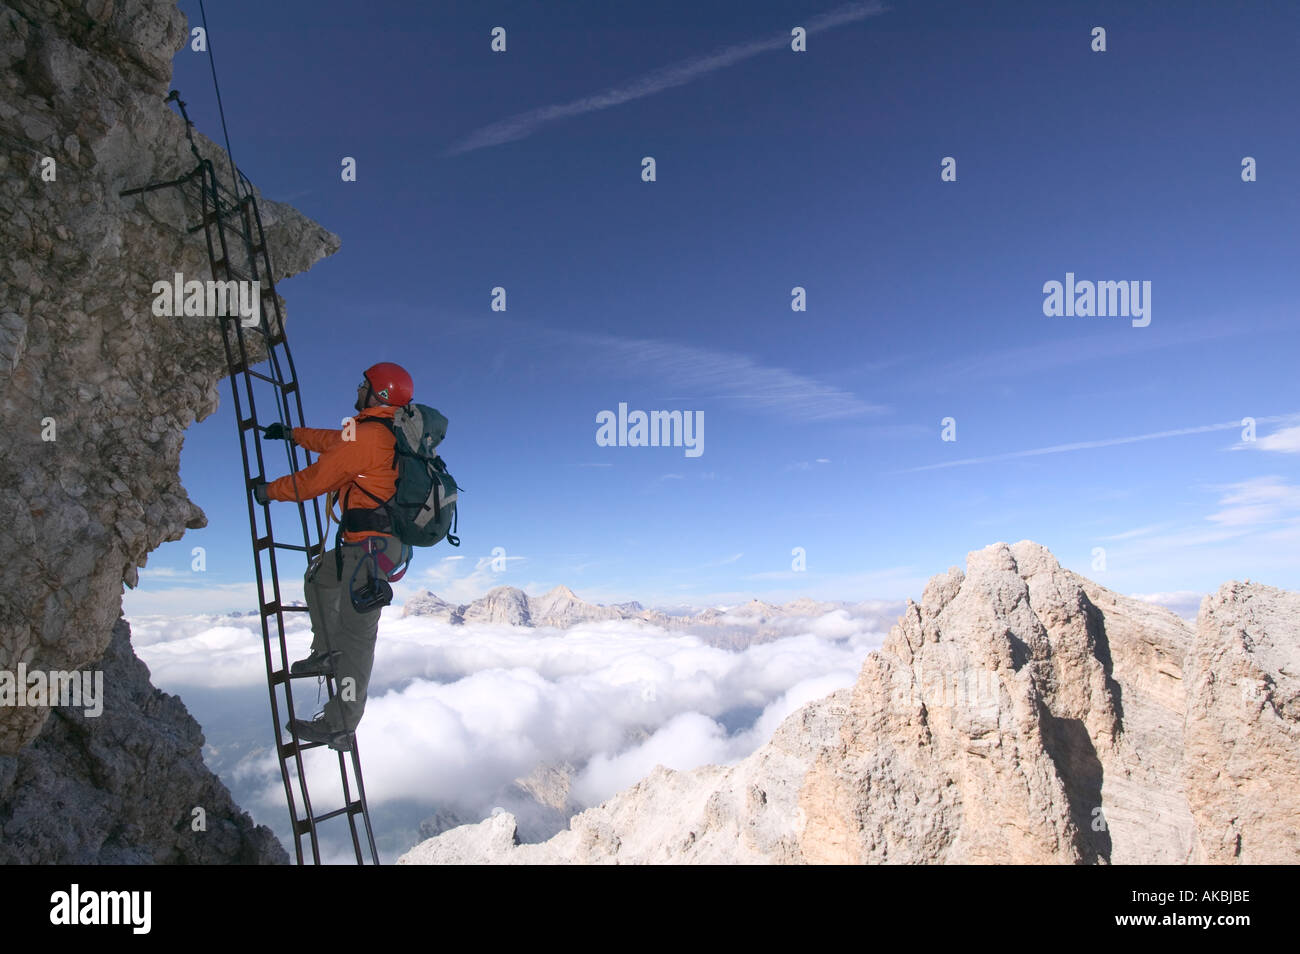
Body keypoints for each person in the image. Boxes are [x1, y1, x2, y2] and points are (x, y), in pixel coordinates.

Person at [251, 362, 414, 751]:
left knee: (357, 639)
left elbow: (316, 480)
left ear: (380, 394)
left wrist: (267, 492)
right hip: (364, 547)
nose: (358, 388)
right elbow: (333, 440)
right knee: (319, 578)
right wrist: (294, 435)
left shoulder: (369, 436)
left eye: (365, 384)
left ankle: (340, 726)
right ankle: (326, 651)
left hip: (370, 551)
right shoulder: (372, 431)